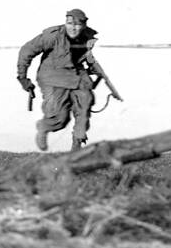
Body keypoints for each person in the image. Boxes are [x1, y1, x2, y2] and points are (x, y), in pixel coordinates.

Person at [16, 8, 109, 152]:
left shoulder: (87, 37)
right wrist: (23, 77)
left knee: (85, 102)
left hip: (77, 75)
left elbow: (87, 55)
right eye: (70, 23)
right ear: (65, 23)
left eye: (77, 24)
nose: (73, 27)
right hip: (53, 76)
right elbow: (26, 51)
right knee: (60, 119)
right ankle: (44, 127)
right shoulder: (53, 36)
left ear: (83, 25)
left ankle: (77, 146)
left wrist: (95, 69)